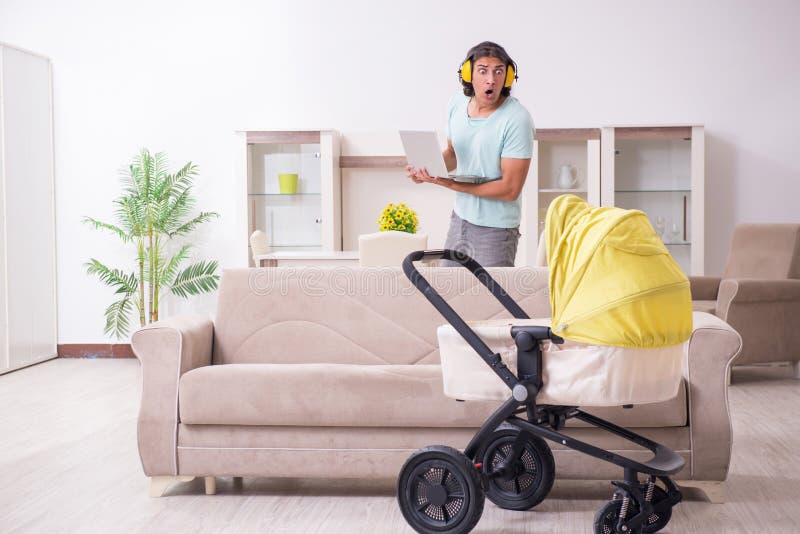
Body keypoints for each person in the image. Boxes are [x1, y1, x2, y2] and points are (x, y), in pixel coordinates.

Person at [407, 41, 534, 267]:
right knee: (451, 294)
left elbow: (510, 189)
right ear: (469, 74)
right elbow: (453, 153)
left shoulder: (517, 119)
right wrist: (426, 170)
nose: (491, 79)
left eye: (498, 71)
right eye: (483, 71)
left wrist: (451, 185)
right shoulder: (456, 104)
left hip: (496, 230)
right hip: (460, 221)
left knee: (489, 300)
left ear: (507, 76)